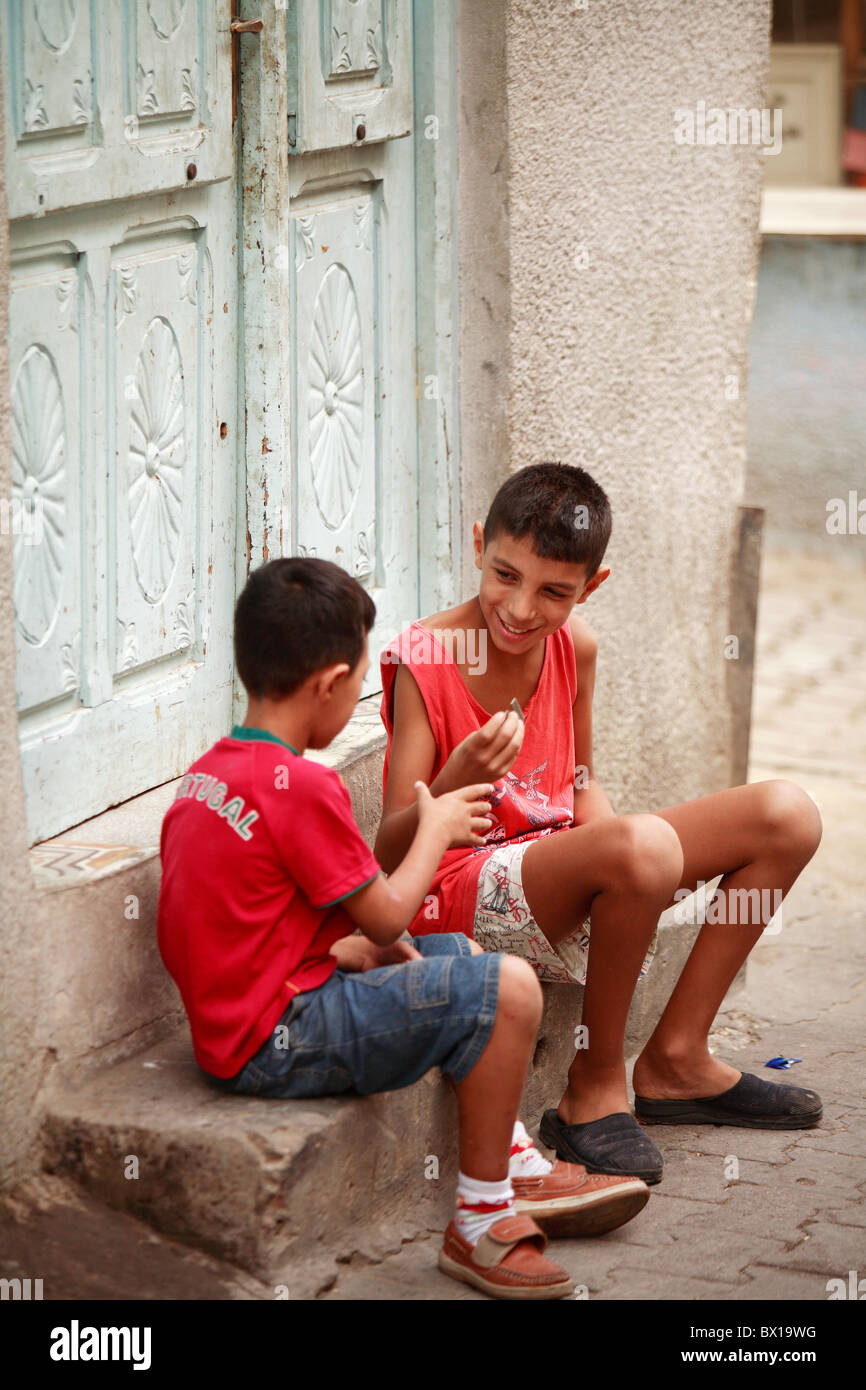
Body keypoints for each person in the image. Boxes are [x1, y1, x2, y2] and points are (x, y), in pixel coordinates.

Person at [156, 555, 649, 1301]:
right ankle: (481, 1223)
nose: (357, 698)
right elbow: (388, 908)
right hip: (275, 1041)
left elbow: (244, 915)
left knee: (456, 951)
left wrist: (336, 947)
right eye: (357, 686)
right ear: (328, 684)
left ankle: (511, 1156)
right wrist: (438, 823)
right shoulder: (306, 786)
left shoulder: (208, 776)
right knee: (506, 990)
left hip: (235, 1023)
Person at [376, 462, 824, 1185]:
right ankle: (591, 1089)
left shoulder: (574, 646)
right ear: (476, 544)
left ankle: (676, 1058)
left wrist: (621, 858)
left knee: (786, 816)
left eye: (555, 591)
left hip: (552, 869)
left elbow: (583, 786)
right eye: (504, 574)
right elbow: (391, 846)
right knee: (640, 849)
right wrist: (458, 778)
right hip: (457, 891)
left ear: (593, 586)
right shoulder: (427, 658)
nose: (521, 610)